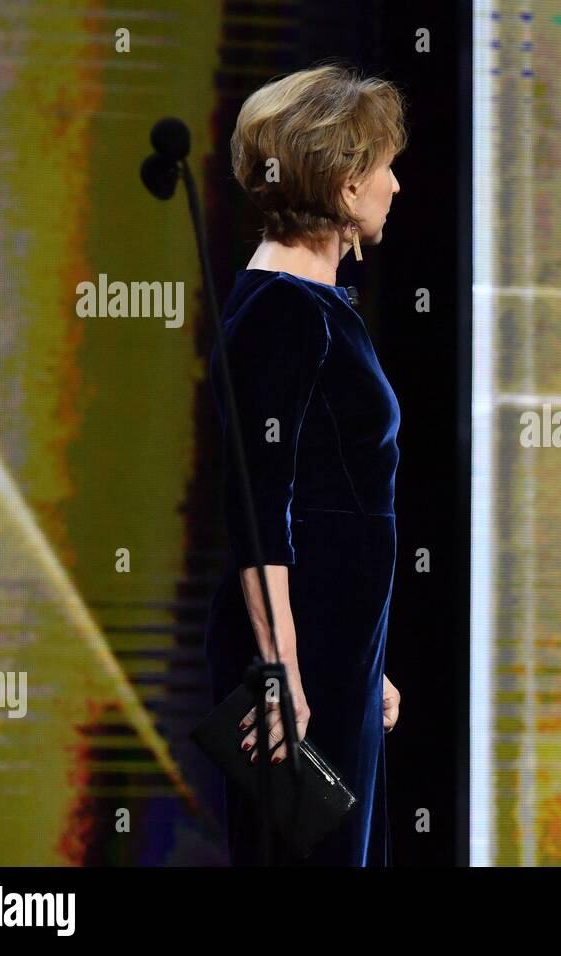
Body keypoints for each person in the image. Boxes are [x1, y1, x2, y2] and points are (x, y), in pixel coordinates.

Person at [203, 63, 406, 866]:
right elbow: (261, 502)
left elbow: (339, 495)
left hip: (334, 650)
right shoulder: (281, 310)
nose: (396, 185)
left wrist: (367, 662)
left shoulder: (316, 304)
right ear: (348, 183)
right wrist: (284, 668)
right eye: (386, 166)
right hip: (295, 653)